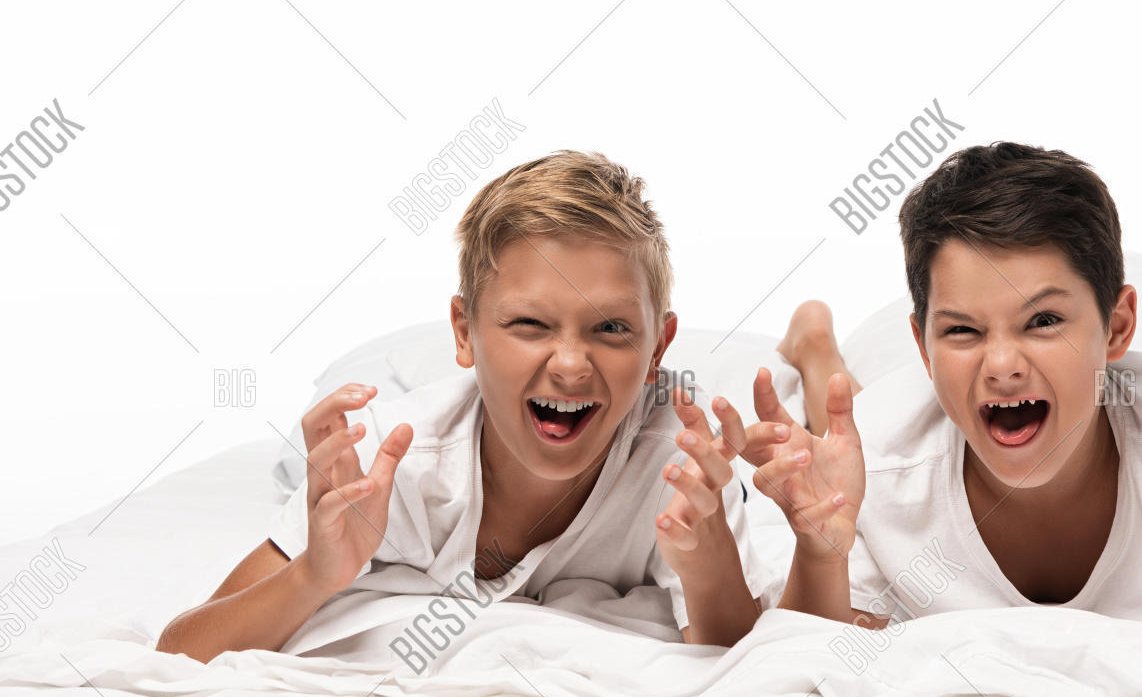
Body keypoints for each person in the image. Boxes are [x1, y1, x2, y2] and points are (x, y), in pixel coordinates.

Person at [158, 151, 774, 662]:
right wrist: (313, 574)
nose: (570, 364)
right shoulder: (388, 456)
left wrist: (708, 556)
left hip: (540, 393)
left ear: (659, 346)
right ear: (461, 331)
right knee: (321, 434)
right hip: (422, 408)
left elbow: (734, 655)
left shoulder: (679, 468)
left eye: (611, 328)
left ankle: (809, 347)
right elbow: (181, 648)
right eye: (530, 322)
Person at [749, 142, 1142, 640]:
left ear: (1116, 327)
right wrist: (819, 551)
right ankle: (815, 346)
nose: (1003, 366)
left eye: (1043, 322)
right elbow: (812, 655)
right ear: (924, 347)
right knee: (840, 425)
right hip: (890, 423)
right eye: (962, 331)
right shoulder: (881, 456)